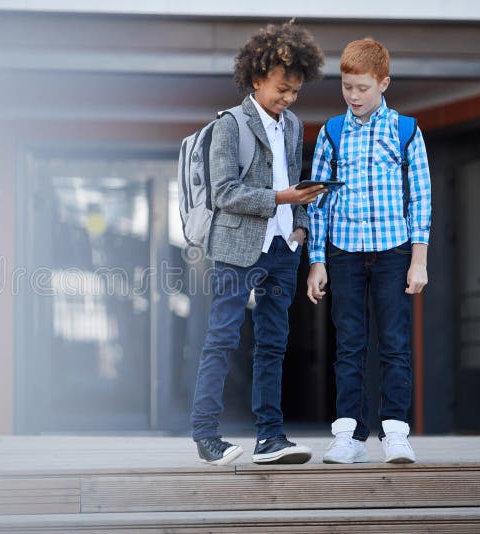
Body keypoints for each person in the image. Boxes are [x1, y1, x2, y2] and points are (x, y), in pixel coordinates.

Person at [190, 22, 326, 465]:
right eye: (281, 89)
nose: (288, 98)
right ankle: (206, 436)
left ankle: (270, 437)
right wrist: (282, 199)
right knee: (222, 339)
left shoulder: (292, 126)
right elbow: (223, 192)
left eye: (294, 92)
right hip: (236, 248)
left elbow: (293, 180)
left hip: (284, 247)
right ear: (256, 78)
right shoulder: (229, 125)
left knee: (273, 343)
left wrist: (300, 222)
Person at [306, 38, 432, 464]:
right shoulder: (332, 133)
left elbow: (421, 199)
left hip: (394, 252)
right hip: (343, 253)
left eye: (362, 87)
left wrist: (419, 261)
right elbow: (317, 200)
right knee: (349, 344)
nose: (354, 96)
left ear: (384, 83)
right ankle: (349, 435)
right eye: (347, 87)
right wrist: (317, 261)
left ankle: (395, 431)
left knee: (395, 343)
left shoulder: (406, 131)